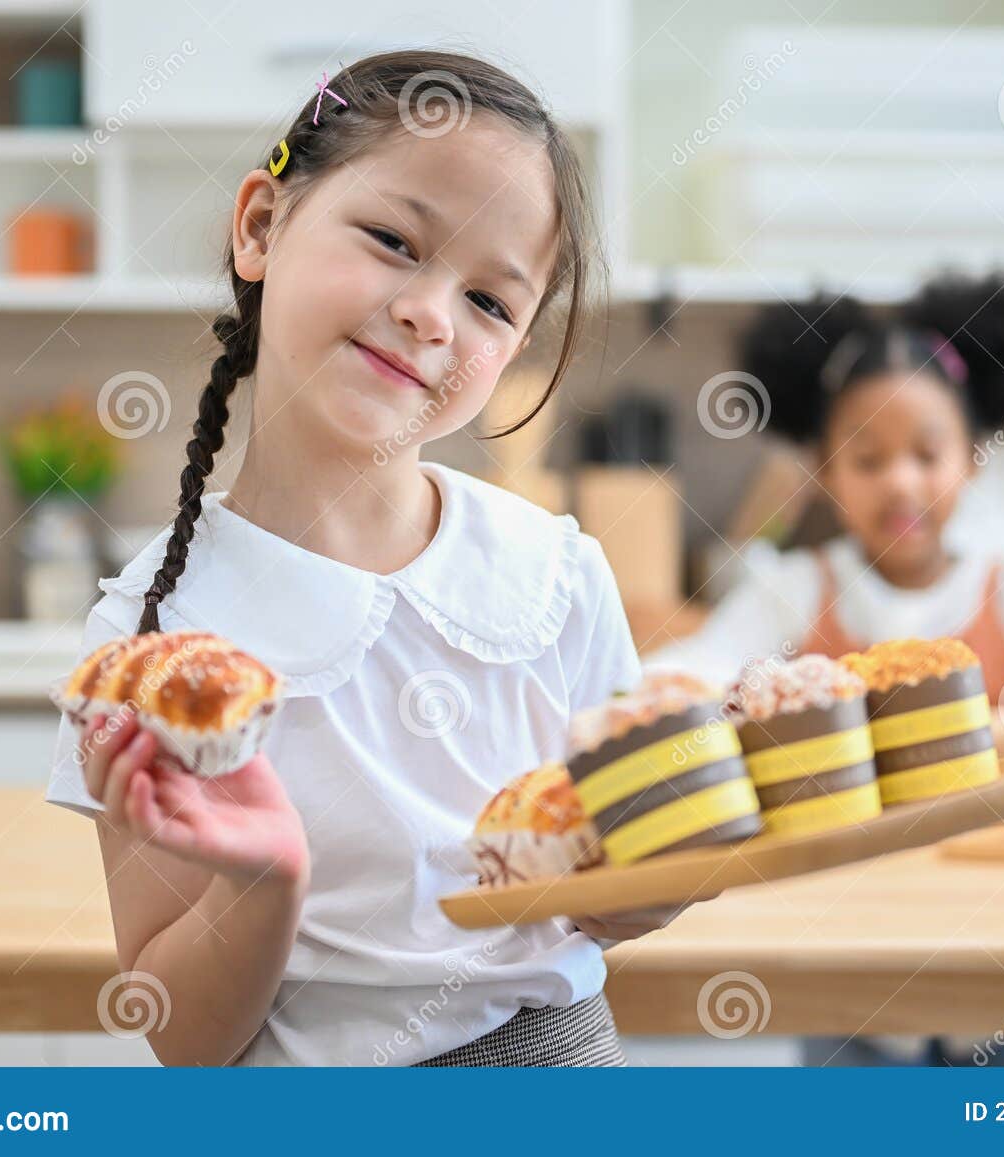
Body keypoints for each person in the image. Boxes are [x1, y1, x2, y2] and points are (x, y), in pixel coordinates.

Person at [45, 51, 678, 1068]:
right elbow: (184, 1038)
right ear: (260, 226)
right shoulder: (152, 643)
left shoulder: (555, 575)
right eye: (393, 240)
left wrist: (676, 861)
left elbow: (600, 898)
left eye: (489, 302)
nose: (434, 312)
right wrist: (263, 882)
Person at [643, 274, 1004, 1067]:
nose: (901, 481)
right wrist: (692, 697)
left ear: (973, 457)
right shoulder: (798, 587)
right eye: (868, 457)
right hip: (846, 950)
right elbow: (693, 669)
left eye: (927, 454)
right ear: (824, 470)